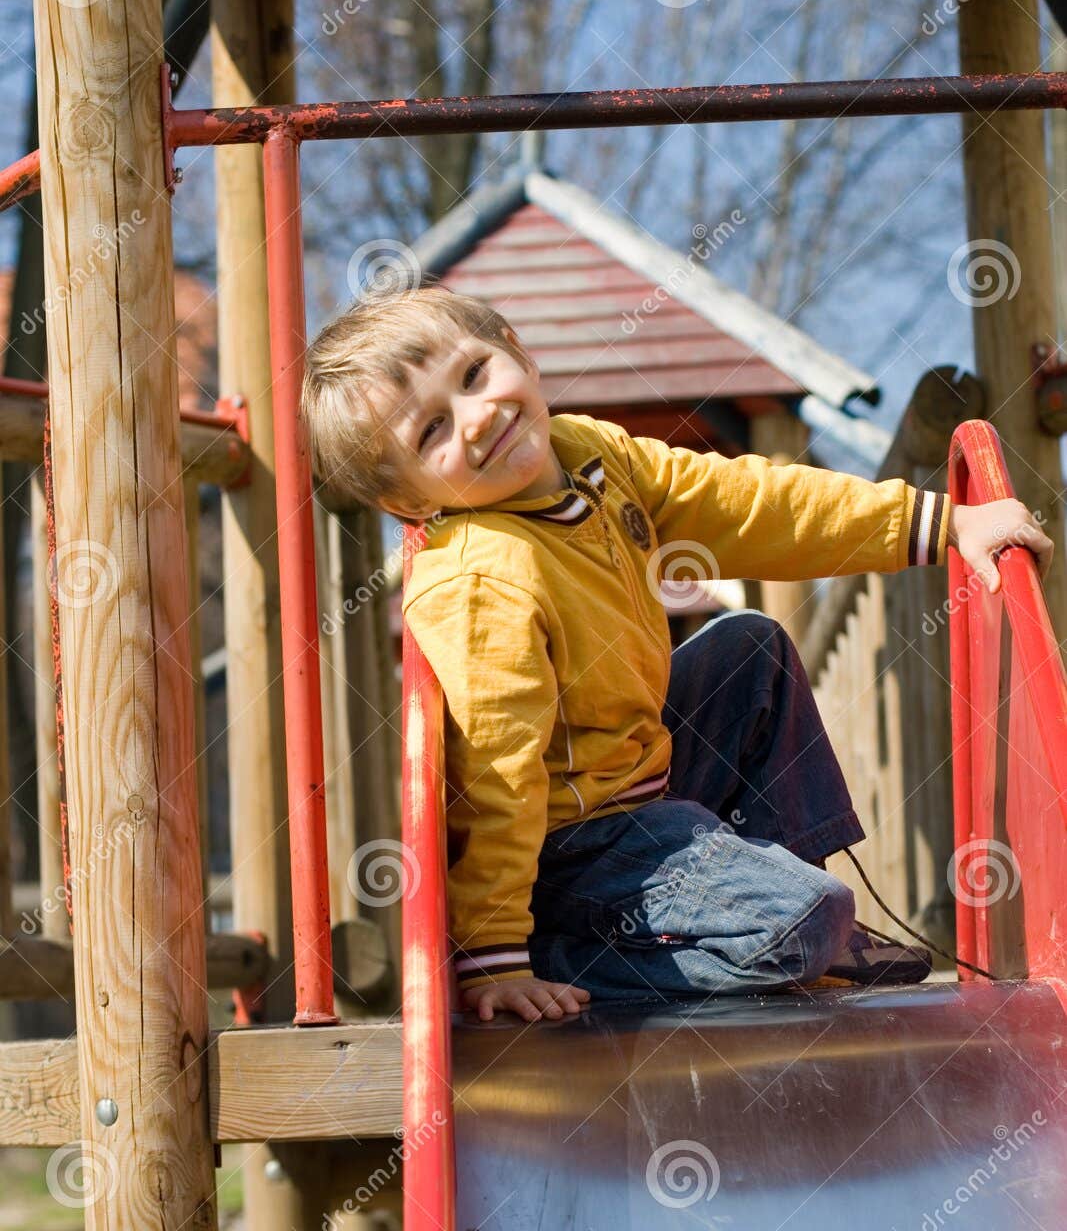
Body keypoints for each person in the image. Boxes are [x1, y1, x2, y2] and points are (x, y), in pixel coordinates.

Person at [301, 287, 1053, 1023]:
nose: (476, 417)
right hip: (567, 854)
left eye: (472, 374)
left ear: (515, 349)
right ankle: (598, 951)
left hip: (642, 781)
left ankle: (768, 894)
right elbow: (496, 775)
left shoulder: (591, 455)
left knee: (746, 647)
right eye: (430, 431)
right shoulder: (481, 578)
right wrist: (494, 952)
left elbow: (743, 502)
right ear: (410, 501)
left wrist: (938, 523)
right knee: (805, 921)